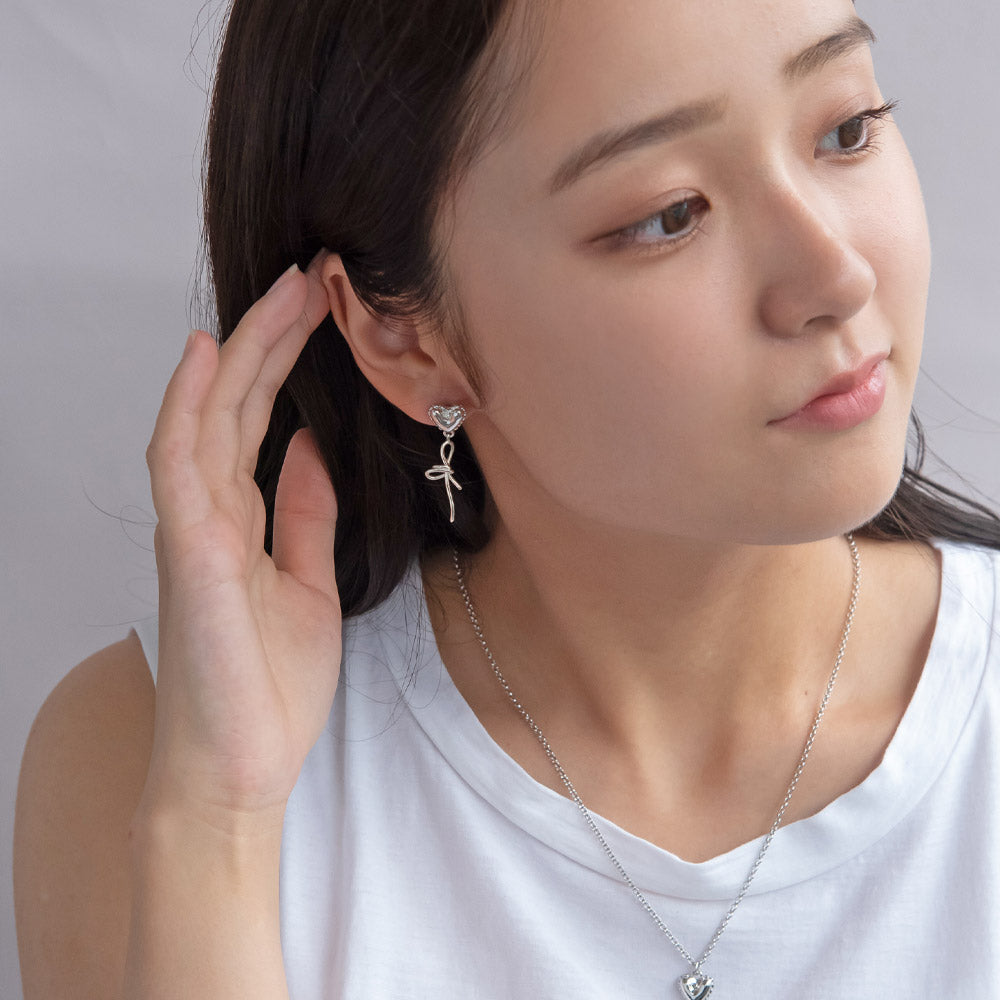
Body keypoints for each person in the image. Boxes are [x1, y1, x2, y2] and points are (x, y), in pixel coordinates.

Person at [14, 0, 1000, 996]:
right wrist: (219, 820)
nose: (835, 271)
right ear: (408, 338)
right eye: (669, 213)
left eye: (844, 130)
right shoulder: (153, 755)